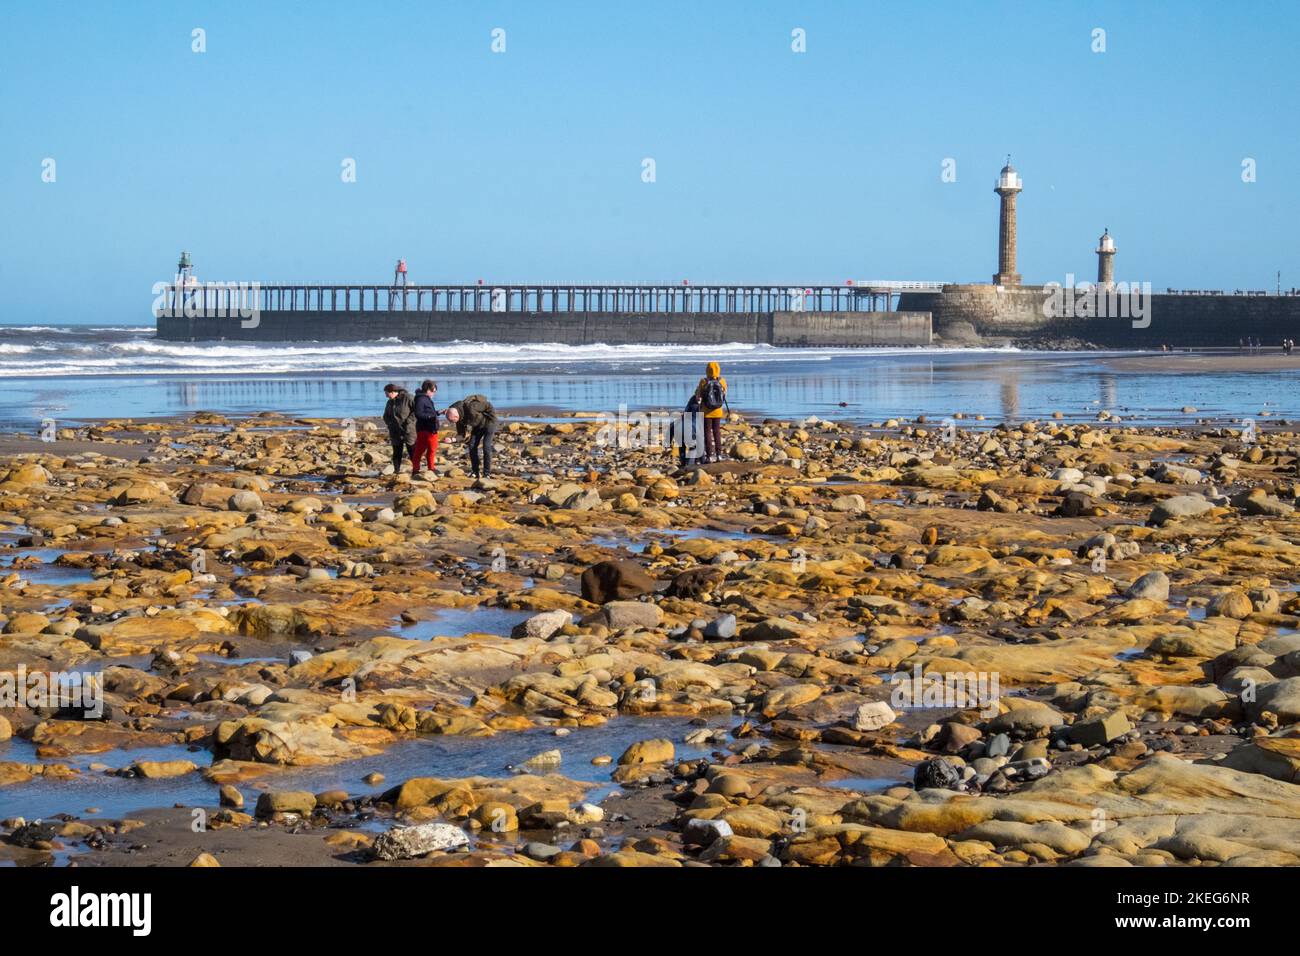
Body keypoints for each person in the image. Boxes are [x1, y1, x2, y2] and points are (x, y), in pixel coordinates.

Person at [446, 393, 499, 478]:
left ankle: (487, 473)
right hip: (477, 426)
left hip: (489, 423)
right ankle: (475, 471)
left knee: (486, 446)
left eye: (453, 421)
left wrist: (493, 418)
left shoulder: (471, 407)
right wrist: (453, 440)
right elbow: (461, 435)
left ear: (456, 416)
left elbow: (488, 405)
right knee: (472, 446)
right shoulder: (459, 419)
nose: (453, 423)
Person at [693, 361, 728, 463]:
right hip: (717, 411)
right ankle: (719, 455)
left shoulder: (703, 381)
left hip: (706, 412)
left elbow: (698, 396)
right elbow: (724, 394)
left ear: (707, 370)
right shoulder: (722, 381)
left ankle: (709, 456)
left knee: (707, 432)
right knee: (717, 432)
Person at [382, 383, 416, 474]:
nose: (386, 396)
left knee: (412, 451)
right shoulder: (390, 402)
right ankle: (396, 471)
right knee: (397, 452)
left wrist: (408, 422)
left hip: (409, 430)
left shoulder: (408, 398)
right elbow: (385, 416)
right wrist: (390, 424)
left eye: (386, 393)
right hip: (395, 431)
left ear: (393, 392)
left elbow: (416, 411)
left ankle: (416, 470)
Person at [411, 379, 440, 476]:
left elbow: (428, 412)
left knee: (426, 449)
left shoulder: (424, 398)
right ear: (427, 389)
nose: (433, 394)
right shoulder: (421, 399)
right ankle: (424, 469)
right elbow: (419, 414)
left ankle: (426, 468)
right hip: (426, 428)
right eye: (433, 391)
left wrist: (438, 413)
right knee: (425, 449)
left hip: (427, 427)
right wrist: (431, 416)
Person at [669, 394, 703, 466]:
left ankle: (683, 463)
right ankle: (690, 465)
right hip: (689, 430)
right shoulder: (698, 416)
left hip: (680, 430)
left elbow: (671, 427)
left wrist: (669, 441)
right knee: (694, 447)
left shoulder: (691, 402)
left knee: (682, 446)